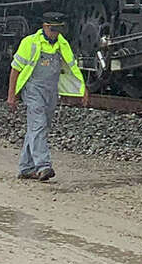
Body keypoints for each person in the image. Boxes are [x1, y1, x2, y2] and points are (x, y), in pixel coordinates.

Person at [7, 11, 86, 180]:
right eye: (52, 29)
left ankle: (26, 167)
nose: (55, 33)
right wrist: (11, 96)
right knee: (39, 125)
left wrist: (82, 89)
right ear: (44, 27)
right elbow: (15, 69)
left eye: (58, 30)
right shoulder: (30, 43)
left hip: (51, 92)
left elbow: (72, 69)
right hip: (33, 89)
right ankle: (43, 165)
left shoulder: (62, 44)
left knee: (37, 129)